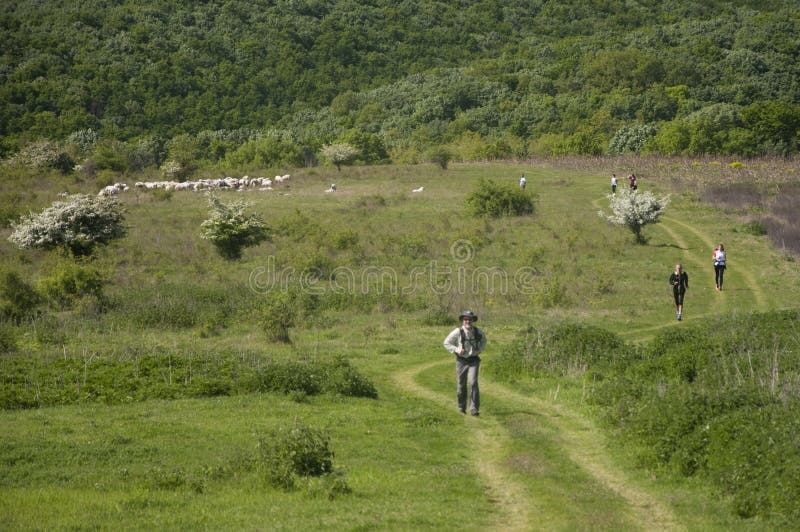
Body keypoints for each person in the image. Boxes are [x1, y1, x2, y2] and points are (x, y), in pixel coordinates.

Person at [443, 310, 487, 416]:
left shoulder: (477, 331)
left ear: (473, 320)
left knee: (473, 383)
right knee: (461, 385)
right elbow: (446, 343)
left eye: (470, 319)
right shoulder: (457, 331)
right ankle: (461, 407)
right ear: (463, 320)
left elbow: (484, 341)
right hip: (461, 361)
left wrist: (480, 349)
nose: (468, 321)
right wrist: (457, 350)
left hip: (474, 360)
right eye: (466, 319)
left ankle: (474, 409)